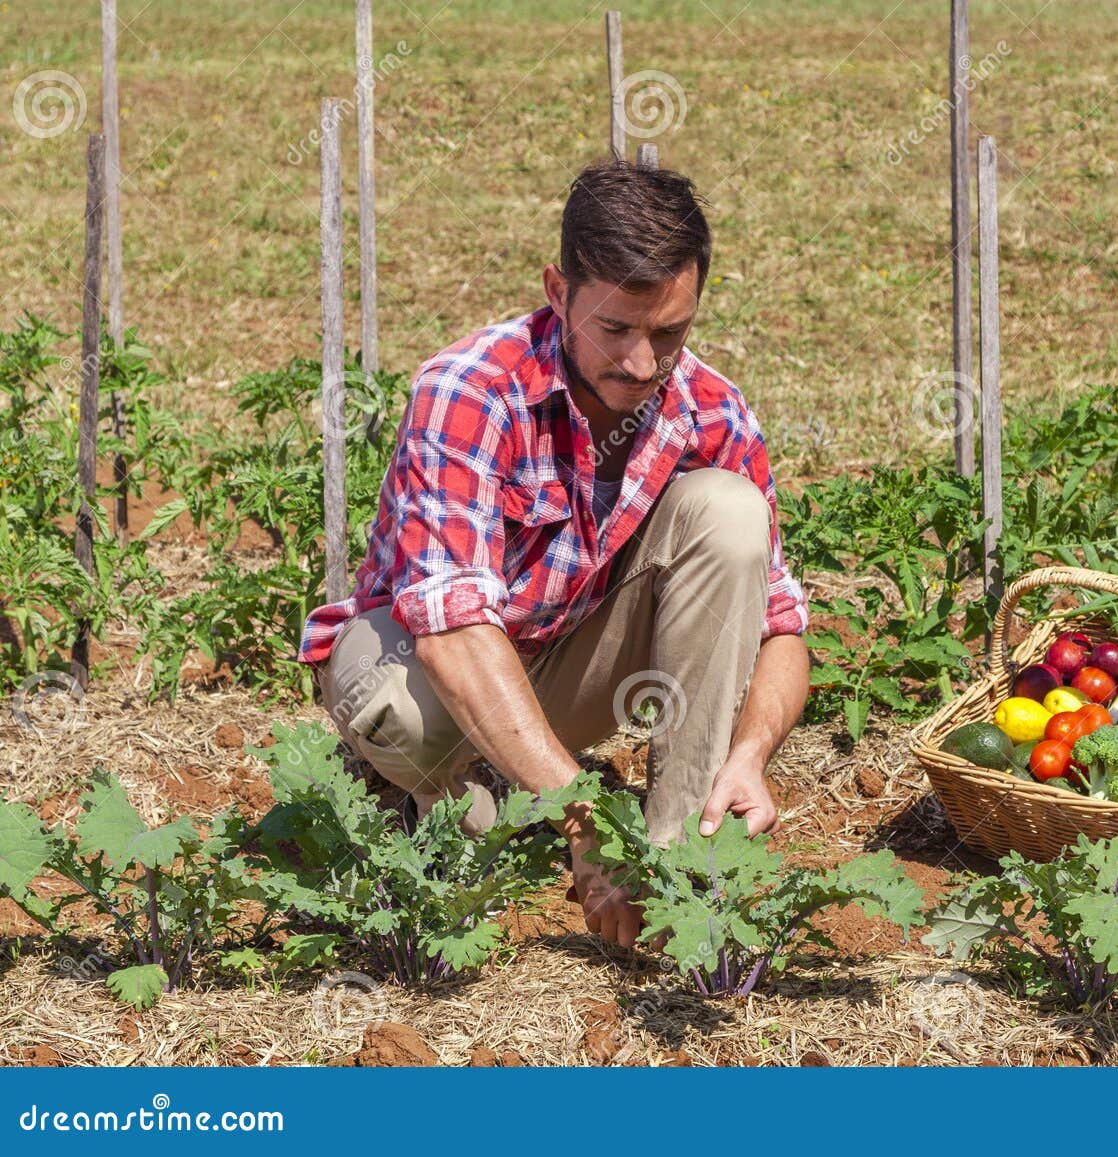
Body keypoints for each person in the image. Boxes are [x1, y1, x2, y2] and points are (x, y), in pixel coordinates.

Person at [297, 159, 811, 948]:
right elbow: (454, 632)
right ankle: (459, 795)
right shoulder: (471, 390)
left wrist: (750, 752)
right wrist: (584, 818)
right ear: (558, 291)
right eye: (615, 329)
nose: (642, 364)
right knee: (416, 742)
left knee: (729, 515)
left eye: (669, 333)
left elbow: (782, 626)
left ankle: (673, 864)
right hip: (424, 674)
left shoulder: (713, 409)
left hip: (562, 669)